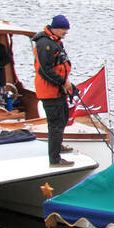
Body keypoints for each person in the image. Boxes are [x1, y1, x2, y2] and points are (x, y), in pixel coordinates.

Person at [32, 15, 78, 167]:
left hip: (58, 89)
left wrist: (68, 84)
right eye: (64, 29)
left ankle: (58, 146)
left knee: (63, 118)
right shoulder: (44, 44)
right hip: (49, 92)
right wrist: (62, 82)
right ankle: (55, 159)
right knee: (55, 123)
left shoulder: (55, 42)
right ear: (56, 28)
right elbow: (44, 70)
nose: (66, 32)